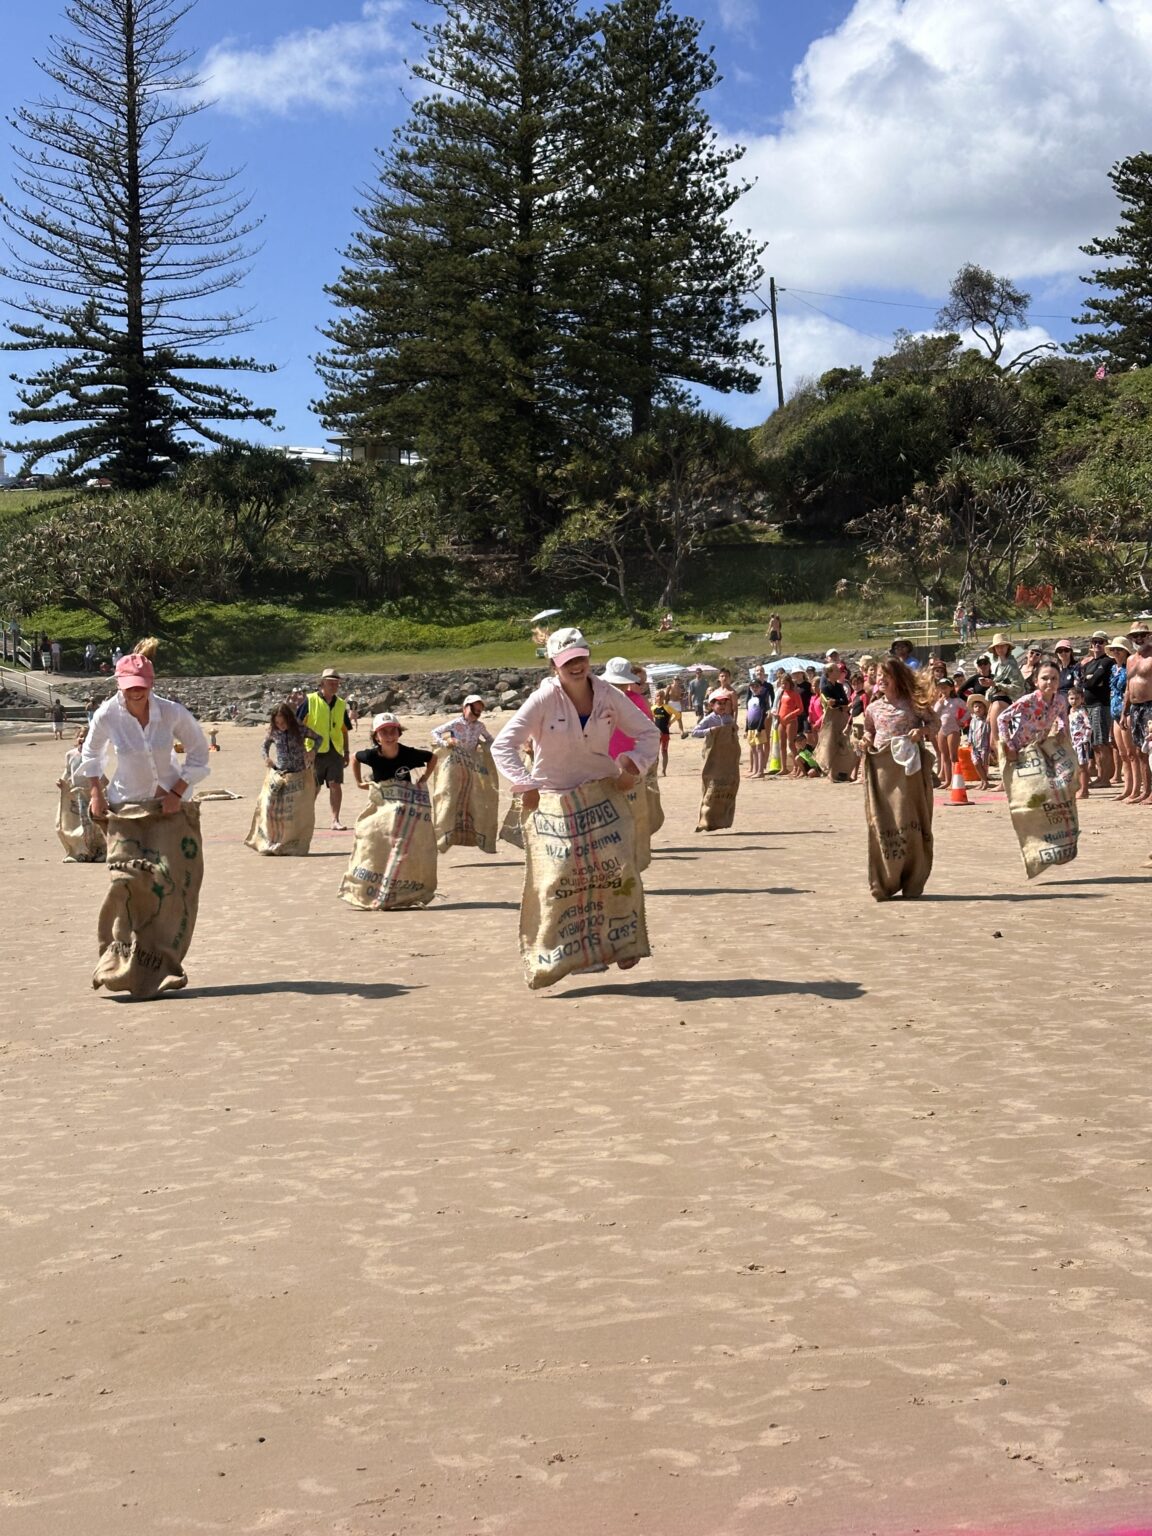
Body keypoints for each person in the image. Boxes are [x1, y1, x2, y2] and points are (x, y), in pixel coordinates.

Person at [491, 627, 659, 980]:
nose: (577, 666)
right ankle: (564, 953)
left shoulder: (609, 695)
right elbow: (502, 745)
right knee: (560, 878)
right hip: (554, 798)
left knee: (617, 870)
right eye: (568, 662)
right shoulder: (543, 699)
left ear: (589, 658)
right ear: (554, 664)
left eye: (581, 659)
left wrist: (633, 764)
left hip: (601, 791)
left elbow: (648, 733)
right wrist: (526, 783)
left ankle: (624, 943)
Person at [80, 640, 210, 997]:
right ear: (119, 686)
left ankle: (158, 966)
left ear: (151, 684)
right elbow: (90, 753)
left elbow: (199, 753)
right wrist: (96, 791)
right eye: (128, 688)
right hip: (125, 809)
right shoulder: (109, 713)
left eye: (141, 687)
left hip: (168, 811)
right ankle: (115, 960)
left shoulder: (171, 713)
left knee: (168, 888)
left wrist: (176, 792)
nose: (135, 693)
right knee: (123, 881)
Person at [299, 667, 354, 830]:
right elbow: (298, 726)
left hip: (335, 750)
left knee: (335, 784)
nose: (334, 686)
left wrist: (347, 752)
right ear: (322, 683)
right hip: (313, 750)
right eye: (330, 682)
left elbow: (344, 730)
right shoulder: (310, 700)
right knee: (314, 787)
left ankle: (335, 820)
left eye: (336, 683)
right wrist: (303, 750)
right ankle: (305, 818)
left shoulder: (341, 704)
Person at [997, 661, 1069, 763]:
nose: (1049, 682)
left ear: (1059, 681)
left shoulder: (1060, 701)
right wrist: (1009, 746)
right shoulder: (1028, 700)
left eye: (1054, 678)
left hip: (1040, 750)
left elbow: (1063, 716)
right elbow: (1002, 718)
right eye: (1044, 678)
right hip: (1020, 750)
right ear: (1036, 681)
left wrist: (1062, 730)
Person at [353, 713, 436, 787]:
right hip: (381, 799)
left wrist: (424, 779)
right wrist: (359, 783)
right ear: (376, 736)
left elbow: (433, 758)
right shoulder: (371, 756)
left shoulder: (408, 754)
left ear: (399, 733)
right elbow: (354, 757)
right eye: (384, 732)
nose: (389, 736)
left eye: (393, 731)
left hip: (405, 799)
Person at [1079, 631, 1115, 788]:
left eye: (1101, 642)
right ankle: (1100, 776)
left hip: (1100, 705)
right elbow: (1083, 682)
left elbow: (1095, 680)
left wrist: (1090, 680)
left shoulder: (1107, 661)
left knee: (1101, 743)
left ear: (1106, 644)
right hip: (1088, 705)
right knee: (1094, 744)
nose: (1097, 645)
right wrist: (1089, 680)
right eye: (1094, 642)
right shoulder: (1088, 663)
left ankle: (1104, 777)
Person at [1121, 624, 1152, 805]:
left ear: (1148, 636)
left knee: (1151, 750)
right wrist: (1124, 711)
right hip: (1135, 708)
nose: (1138, 639)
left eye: (1141, 635)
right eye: (1135, 636)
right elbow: (1128, 686)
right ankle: (1146, 790)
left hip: (1150, 706)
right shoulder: (1131, 659)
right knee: (1140, 751)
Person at [986, 634, 1027, 761]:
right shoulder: (999, 665)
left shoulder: (1011, 665)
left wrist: (995, 684)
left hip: (1002, 701)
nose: (1000, 649)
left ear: (1007, 647)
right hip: (995, 701)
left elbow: (1018, 687)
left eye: (1002, 646)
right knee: (996, 741)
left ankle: (1006, 774)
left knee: (998, 741)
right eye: (997, 647)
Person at [1109, 637, 1137, 801]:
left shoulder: (1129, 668)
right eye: (1113, 650)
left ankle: (1135, 788)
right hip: (1114, 711)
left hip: (1126, 711)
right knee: (1122, 753)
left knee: (1131, 752)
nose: (1115, 652)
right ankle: (1127, 788)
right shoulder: (1114, 668)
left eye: (1118, 649)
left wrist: (1124, 713)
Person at [933, 676, 965, 788]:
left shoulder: (956, 701)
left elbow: (968, 710)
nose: (943, 690)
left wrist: (962, 720)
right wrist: (940, 703)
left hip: (953, 729)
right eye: (941, 688)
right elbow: (935, 714)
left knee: (953, 756)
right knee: (944, 755)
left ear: (951, 688)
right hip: (942, 729)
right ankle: (947, 780)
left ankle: (955, 780)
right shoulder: (939, 702)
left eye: (945, 688)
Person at [1066, 684, 1093, 800]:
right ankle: (1079, 788)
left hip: (1081, 743)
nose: (1074, 701)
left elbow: (1088, 726)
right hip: (1073, 743)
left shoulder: (1082, 711)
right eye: (1072, 698)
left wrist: (1085, 739)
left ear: (1082, 699)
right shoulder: (1070, 711)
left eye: (1077, 698)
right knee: (1076, 767)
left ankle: (1084, 790)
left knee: (1083, 767)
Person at [744, 672, 772, 778]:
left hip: (759, 728)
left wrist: (759, 728)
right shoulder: (750, 700)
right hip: (751, 727)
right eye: (752, 686)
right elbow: (748, 715)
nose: (754, 688)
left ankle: (760, 771)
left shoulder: (762, 700)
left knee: (760, 749)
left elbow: (762, 715)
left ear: (761, 688)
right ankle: (755, 770)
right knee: (754, 749)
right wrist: (746, 729)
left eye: (757, 686)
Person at [965, 693, 992, 790]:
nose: (978, 709)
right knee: (976, 763)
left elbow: (990, 731)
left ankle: (984, 781)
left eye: (980, 707)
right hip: (975, 745)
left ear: (985, 709)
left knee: (984, 764)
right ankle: (983, 780)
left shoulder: (987, 720)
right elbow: (971, 731)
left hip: (984, 745)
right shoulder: (973, 720)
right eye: (976, 707)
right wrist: (969, 740)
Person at [651, 689, 672, 775]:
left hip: (665, 733)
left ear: (664, 697)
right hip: (656, 734)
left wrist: (670, 722)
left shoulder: (667, 707)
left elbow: (678, 715)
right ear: (655, 697)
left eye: (661, 696)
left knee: (664, 752)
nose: (659, 698)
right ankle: (654, 770)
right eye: (657, 696)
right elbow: (651, 718)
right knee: (655, 753)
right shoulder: (653, 708)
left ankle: (664, 770)